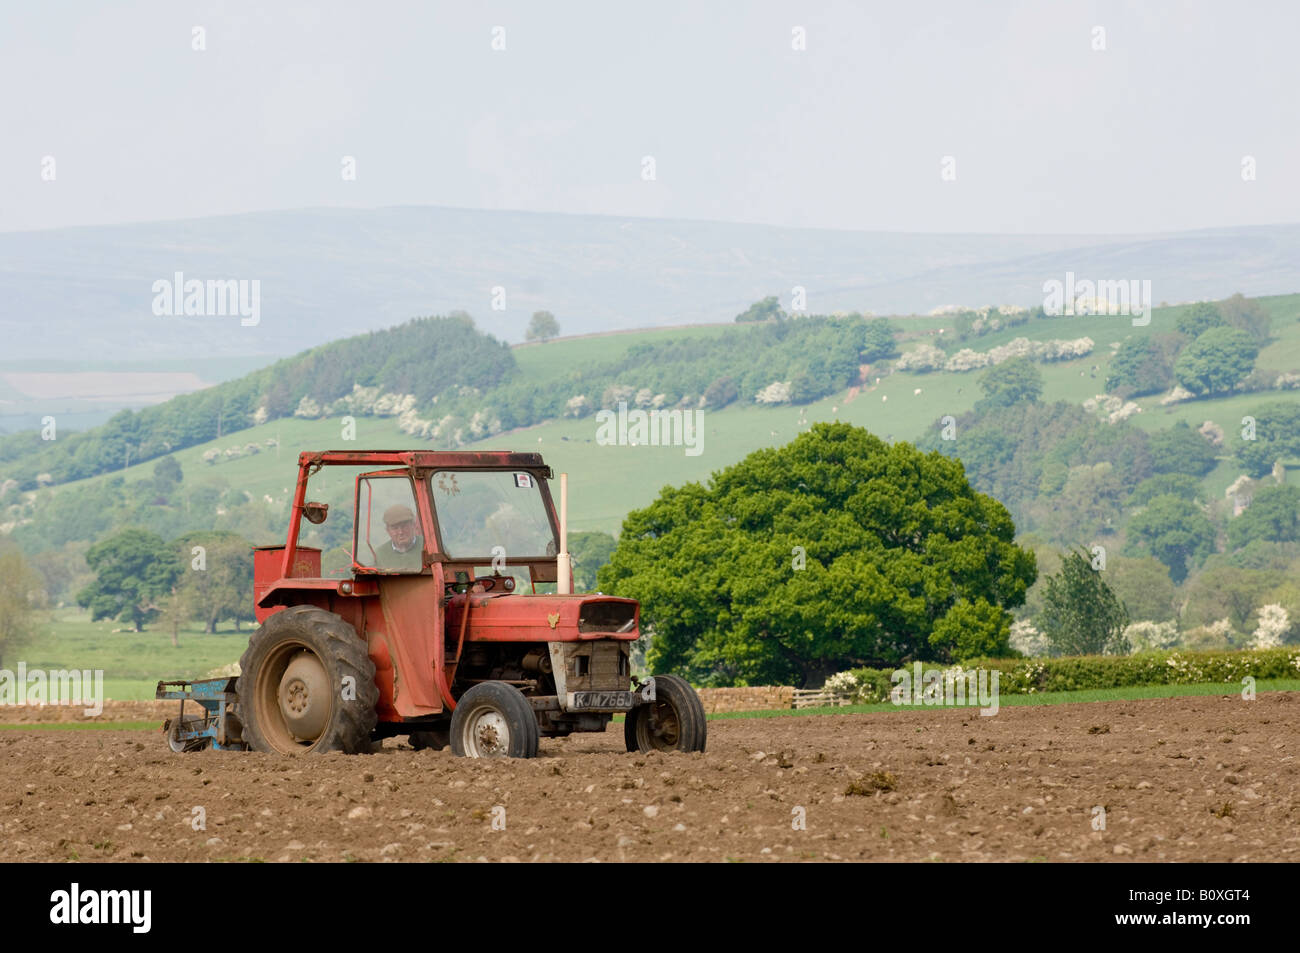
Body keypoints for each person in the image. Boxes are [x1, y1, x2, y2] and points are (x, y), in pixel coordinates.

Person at [374, 504, 424, 572]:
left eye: (404, 526)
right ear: (388, 531)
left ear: (413, 525)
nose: (400, 532)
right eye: (395, 528)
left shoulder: (428, 546)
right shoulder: (380, 554)